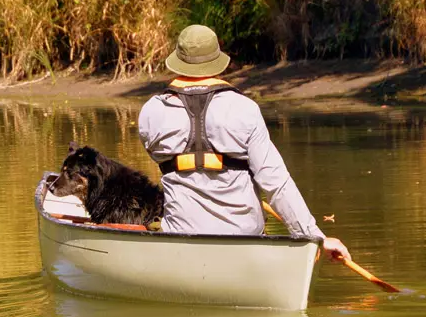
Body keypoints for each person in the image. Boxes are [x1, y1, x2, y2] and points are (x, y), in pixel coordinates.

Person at [138, 24, 351, 261]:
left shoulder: (151, 112)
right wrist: (315, 238)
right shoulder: (244, 109)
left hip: (182, 235)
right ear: (218, 62)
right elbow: (276, 182)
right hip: (244, 237)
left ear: (178, 61)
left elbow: (164, 159)